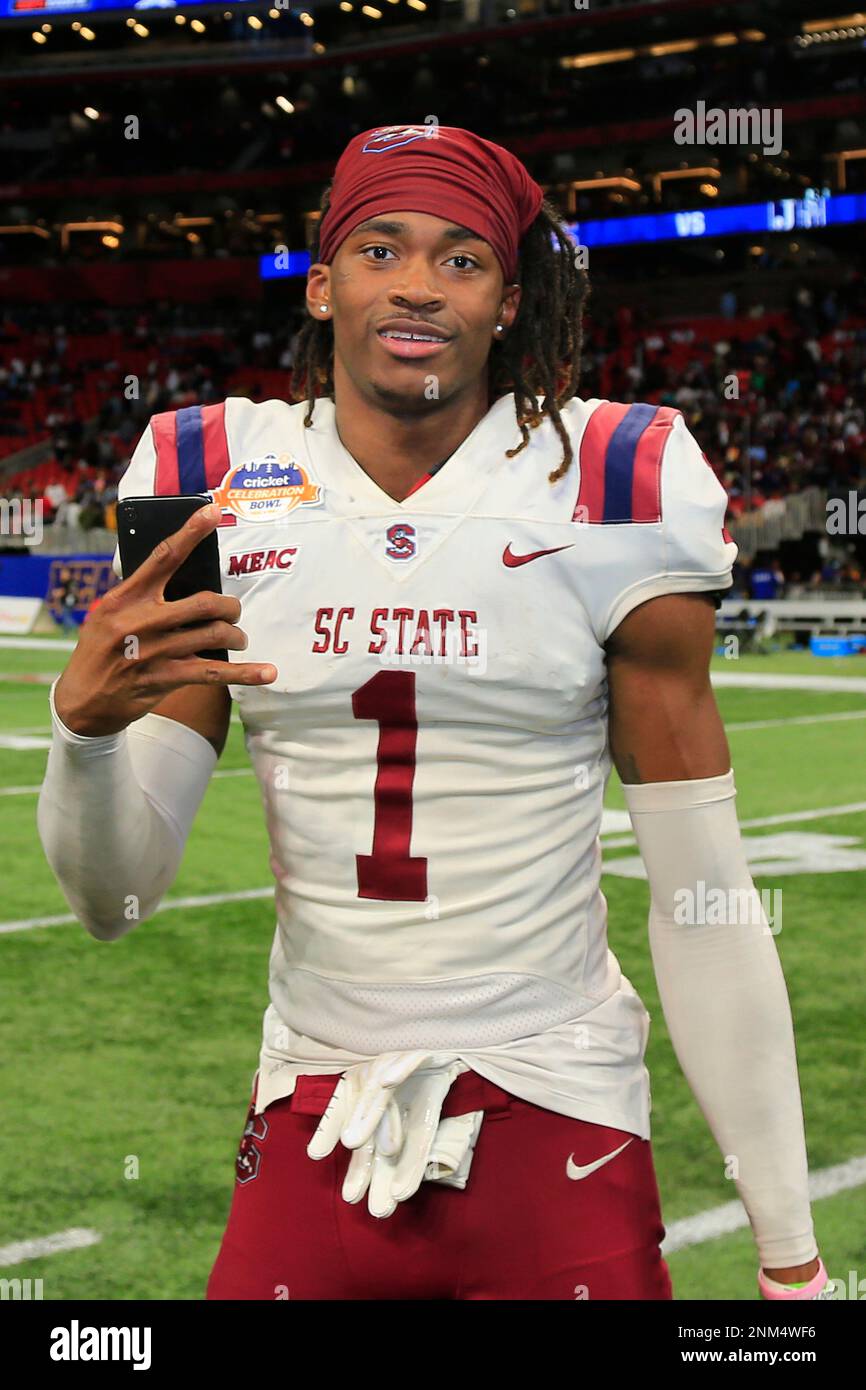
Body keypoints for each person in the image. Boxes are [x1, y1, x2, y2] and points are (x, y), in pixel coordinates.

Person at [37, 124, 830, 1302]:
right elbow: (114, 901)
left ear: (507, 304)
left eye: (461, 260)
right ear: (322, 286)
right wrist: (85, 735)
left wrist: (788, 1253)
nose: (416, 283)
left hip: (553, 1102)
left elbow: (701, 898)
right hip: (309, 1106)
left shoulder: (614, 481)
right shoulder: (209, 476)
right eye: (379, 249)